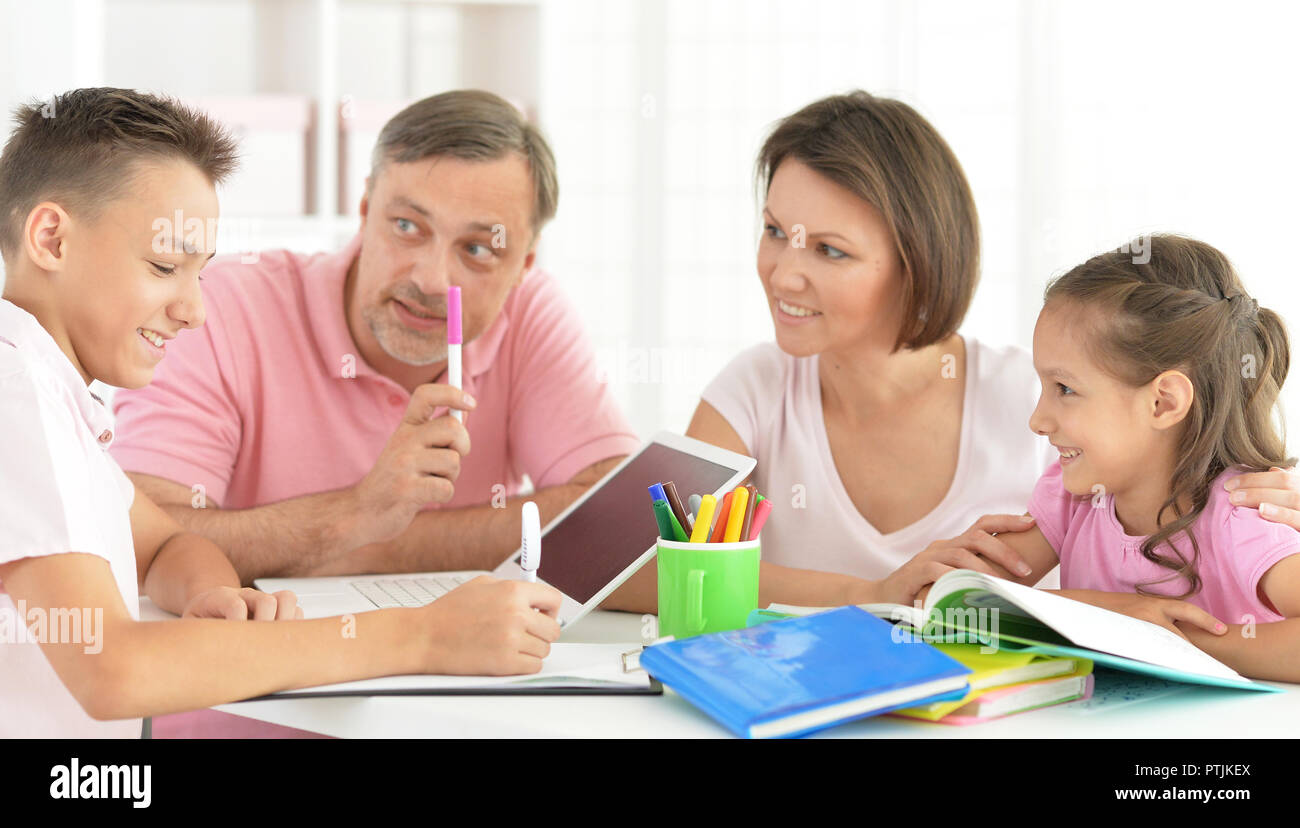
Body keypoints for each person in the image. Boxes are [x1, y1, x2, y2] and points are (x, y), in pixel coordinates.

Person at [0, 88, 563, 738]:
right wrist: (423, 634)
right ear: (50, 238)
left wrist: (218, 597)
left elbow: (168, 546)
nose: (195, 310)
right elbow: (113, 671)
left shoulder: (55, 398)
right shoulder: (17, 396)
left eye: (200, 274)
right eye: (163, 266)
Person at [612, 91, 1300, 613]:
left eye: (829, 250)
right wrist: (868, 591)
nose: (782, 273)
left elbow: (1180, 477)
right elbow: (618, 564)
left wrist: (1243, 493)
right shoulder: (754, 388)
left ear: (918, 263)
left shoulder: (1029, 397)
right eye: (773, 231)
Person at [110, 89, 640, 583]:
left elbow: (626, 516)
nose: (432, 280)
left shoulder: (529, 313)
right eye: (407, 227)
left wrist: (383, 546)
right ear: (364, 212)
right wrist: (357, 513)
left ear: (523, 264)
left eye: (478, 249)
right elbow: (135, 537)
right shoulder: (221, 308)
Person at [939, 234, 1300, 682]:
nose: (1038, 420)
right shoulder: (1070, 497)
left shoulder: (1242, 515)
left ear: (1163, 403)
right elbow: (959, 604)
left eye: (1065, 389)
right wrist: (1117, 616)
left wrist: (1179, 642)